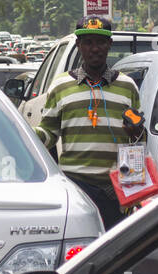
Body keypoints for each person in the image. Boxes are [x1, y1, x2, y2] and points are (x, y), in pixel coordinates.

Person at [34, 16, 145, 229]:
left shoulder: (127, 86)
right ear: (79, 46)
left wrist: (136, 132)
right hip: (76, 189)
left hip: (115, 193)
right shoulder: (61, 86)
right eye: (88, 42)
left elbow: (139, 142)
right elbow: (48, 133)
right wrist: (22, 137)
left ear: (109, 44)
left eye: (100, 42)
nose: (95, 48)